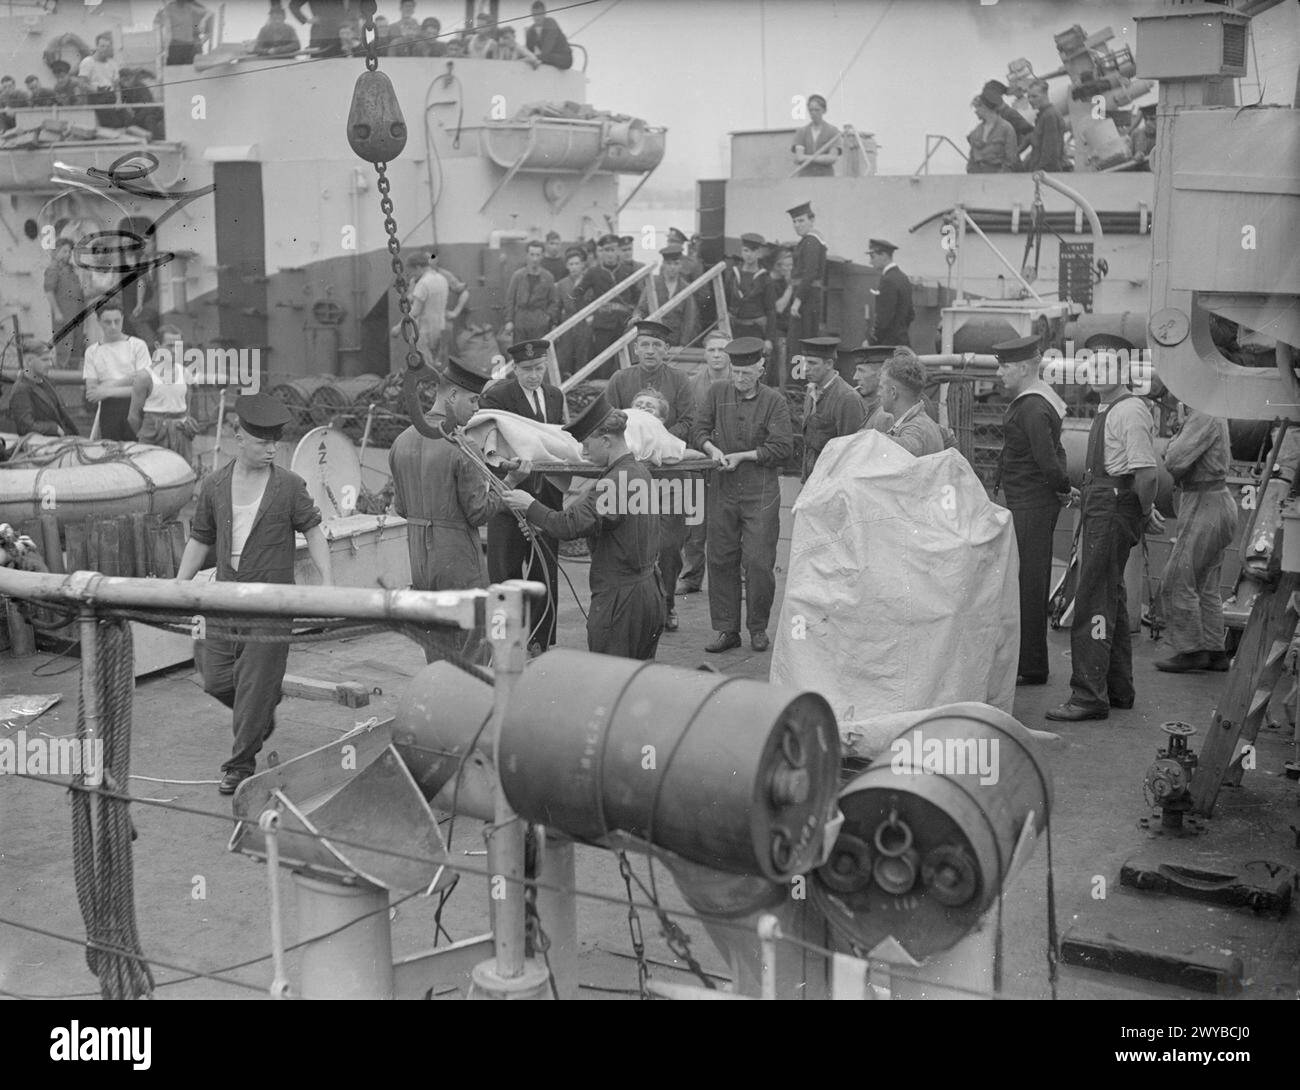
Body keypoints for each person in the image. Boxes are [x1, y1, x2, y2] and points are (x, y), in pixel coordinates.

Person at [175, 393, 333, 796]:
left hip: (272, 604)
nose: (271, 449)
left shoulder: (289, 487)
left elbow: (314, 532)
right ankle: (261, 711)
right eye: (263, 442)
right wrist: (177, 585)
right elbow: (200, 538)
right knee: (216, 679)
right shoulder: (214, 485)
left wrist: (328, 586)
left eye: (275, 441)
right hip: (225, 600)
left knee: (253, 685)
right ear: (238, 436)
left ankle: (239, 764)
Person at [1046, 335, 1161, 721]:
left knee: (1093, 600)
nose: (1096, 371)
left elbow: (1146, 475)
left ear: (1124, 370)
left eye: (1107, 364)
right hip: (1103, 506)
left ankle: (1088, 696)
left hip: (1111, 511)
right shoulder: (1107, 407)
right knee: (1110, 596)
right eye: (1092, 363)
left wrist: (1142, 514)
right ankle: (1117, 688)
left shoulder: (1129, 411)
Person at [504, 397, 664, 659]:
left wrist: (530, 505)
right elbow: (607, 523)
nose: (584, 452)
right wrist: (544, 526)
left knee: (611, 681)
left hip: (622, 599)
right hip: (647, 591)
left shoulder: (615, 481)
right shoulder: (637, 471)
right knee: (637, 681)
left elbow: (571, 525)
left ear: (606, 440)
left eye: (586, 444)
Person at [389, 359, 531, 600]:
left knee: (433, 633)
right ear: (453, 395)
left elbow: (401, 508)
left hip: (419, 564)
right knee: (471, 634)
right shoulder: (463, 445)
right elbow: (479, 513)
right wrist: (511, 481)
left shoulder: (400, 442)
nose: (477, 408)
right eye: (473, 400)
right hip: (459, 564)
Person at [693, 337, 793, 653]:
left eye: (746, 374)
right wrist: (712, 449)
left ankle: (758, 628)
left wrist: (744, 455)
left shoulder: (774, 401)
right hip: (722, 489)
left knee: (758, 561)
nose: (738, 380)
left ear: (760, 369)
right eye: (735, 373)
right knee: (720, 557)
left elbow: (783, 448)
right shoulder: (716, 392)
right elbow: (699, 430)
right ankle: (726, 630)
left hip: (759, 490)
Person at [604, 319, 695, 630]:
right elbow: (607, 420)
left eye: (657, 345)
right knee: (626, 542)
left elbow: (689, 422)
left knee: (669, 546)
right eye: (645, 344)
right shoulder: (620, 379)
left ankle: (667, 604)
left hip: (670, 474)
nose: (651, 350)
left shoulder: (681, 380)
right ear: (635, 348)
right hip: (629, 475)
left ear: (666, 349)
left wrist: (658, 440)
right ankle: (629, 606)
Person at [994, 335, 1072, 686]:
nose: (999, 372)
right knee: (1029, 581)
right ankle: (1029, 661)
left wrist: (1064, 490)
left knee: (1029, 583)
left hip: (1031, 506)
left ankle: (1032, 664)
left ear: (1025, 367)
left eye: (1005, 365)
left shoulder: (1032, 406)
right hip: (1030, 503)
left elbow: (1048, 461)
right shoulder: (1038, 402)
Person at [480, 340, 565, 654]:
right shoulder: (499, 396)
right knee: (505, 572)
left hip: (546, 497)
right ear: (514, 368)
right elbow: (489, 440)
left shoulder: (555, 396)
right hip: (510, 496)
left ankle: (541, 641)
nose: (534, 375)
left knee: (545, 572)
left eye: (539, 368)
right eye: (527, 369)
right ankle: (504, 643)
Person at [1154, 407, 1236, 673]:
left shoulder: (1203, 414)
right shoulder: (1215, 413)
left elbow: (1174, 460)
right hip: (1219, 498)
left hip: (1203, 500)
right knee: (1206, 583)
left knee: (1177, 576)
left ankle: (1190, 649)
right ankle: (1214, 650)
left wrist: (1176, 437)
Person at [678, 331, 733, 596]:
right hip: (699, 457)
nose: (717, 355)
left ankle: (737, 579)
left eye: (722, 349)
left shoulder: (741, 380)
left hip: (731, 460)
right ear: (704, 353)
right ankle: (691, 576)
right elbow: (689, 421)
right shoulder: (692, 384)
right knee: (695, 522)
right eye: (712, 350)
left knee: (731, 522)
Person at [798, 335, 865, 481]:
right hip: (812, 481)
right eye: (804, 363)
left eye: (812, 363)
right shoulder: (811, 391)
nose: (805, 369)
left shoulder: (847, 398)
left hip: (832, 483)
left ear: (829, 364)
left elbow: (850, 451)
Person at [83, 302, 151, 441]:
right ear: (99, 322)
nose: (113, 326)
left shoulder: (138, 345)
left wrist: (106, 390)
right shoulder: (92, 351)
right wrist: (127, 380)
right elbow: (92, 393)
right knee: (111, 454)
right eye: (107, 322)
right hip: (109, 411)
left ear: (123, 319)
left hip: (135, 407)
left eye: (117, 321)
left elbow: (144, 389)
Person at [128, 324, 195, 462]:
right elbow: (133, 417)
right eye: (170, 346)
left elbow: (187, 408)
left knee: (182, 475)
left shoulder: (185, 373)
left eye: (178, 346)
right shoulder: (144, 377)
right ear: (158, 345)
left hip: (180, 434)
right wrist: (147, 434)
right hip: (154, 434)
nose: (174, 351)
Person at [573, 234, 635, 379]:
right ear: (601, 252)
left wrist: (634, 311)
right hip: (602, 325)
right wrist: (588, 315)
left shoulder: (627, 270)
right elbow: (577, 294)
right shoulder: (594, 272)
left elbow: (638, 294)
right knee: (603, 364)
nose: (610, 254)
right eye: (606, 250)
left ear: (618, 251)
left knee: (624, 362)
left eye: (613, 250)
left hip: (624, 323)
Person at [881, 349, 946, 456]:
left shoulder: (915, 429)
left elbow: (909, 446)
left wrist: (871, 438)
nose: (879, 393)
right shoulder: (923, 422)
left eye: (881, 388)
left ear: (893, 392)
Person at [7, 343, 79, 437]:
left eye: (50, 359)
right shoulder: (21, 390)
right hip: (42, 446)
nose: (50, 364)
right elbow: (25, 427)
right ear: (29, 361)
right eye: (44, 360)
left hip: (64, 439)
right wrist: (54, 428)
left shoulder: (45, 380)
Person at [634, 245, 697, 348]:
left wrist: (683, 344)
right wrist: (637, 316)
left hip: (675, 341)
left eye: (676, 264)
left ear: (681, 265)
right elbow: (641, 308)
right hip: (654, 338)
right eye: (669, 264)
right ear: (663, 264)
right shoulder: (653, 284)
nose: (672, 267)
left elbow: (689, 318)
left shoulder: (686, 288)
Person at [394, 252, 448, 366]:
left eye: (412, 271)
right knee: (438, 363)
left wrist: (398, 328)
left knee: (426, 365)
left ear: (418, 267)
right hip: (441, 327)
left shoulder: (423, 283)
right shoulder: (442, 279)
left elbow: (415, 312)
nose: (412, 275)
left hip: (425, 330)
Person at [726, 233, 775, 354]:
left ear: (759, 253)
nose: (749, 255)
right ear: (741, 251)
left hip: (756, 330)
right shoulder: (733, 274)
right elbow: (725, 302)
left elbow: (771, 310)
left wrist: (769, 339)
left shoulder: (765, 278)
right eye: (746, 250)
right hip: (735, 330)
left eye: (753, 251)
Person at [503, 240, 560, 344]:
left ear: (542, 256)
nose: (535, 259)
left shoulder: (548, 277)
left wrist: (547, 317)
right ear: (526, 255)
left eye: (538, 255)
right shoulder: (518, 276)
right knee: (520, 353)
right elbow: (510, 300)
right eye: (532, 254)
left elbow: (554, 302)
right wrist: (509, 320)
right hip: (521, 320)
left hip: (539, 321)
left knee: (538, 354)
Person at [787, 202, 827, 343]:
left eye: (801, 220)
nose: (797, 225)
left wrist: (797, 301)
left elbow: (810, 273)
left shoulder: (812, 241)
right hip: (806, 297)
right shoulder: (806, 241)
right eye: (794, 221)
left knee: (802, 342)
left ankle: (800, 366)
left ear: (812, 220)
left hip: (807, 299)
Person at [45, 238, 86, 369]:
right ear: (56, 251)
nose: (68, 254)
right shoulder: (53, 269)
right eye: (64, 251)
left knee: (76, 344)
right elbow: (49, 292)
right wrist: (57, 312)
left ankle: (72, 379)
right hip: (63, 315)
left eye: (69, 251)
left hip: (77, 314)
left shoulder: (72, 270)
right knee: (64, 345)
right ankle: (62, 379)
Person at [867, 239, 914, 348]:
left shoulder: (887, 280)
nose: (870, 262)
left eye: (872, 257)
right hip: (902, 344)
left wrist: (871, 341)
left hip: (887, 347)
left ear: (883, 255)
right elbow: (910, 314)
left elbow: (884, 318)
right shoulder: (903, 277)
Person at [555, 247, 591, 379]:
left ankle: (582, 385)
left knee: (583, 356)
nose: (574, 267)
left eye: (577, 263)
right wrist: (556, 324)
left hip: (584, 322)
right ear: (567, 266)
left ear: (582, 265)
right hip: (567, 323)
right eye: (571, 264)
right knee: (565, 357)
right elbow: (557, 306)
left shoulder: (589, 281)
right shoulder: (562, 284)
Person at [1019, 79, 1066, 172]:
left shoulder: (1050, 116)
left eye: (1034, 96)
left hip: (1045, 173)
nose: (1030, 100)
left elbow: (1050, 152)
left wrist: (1039, 171)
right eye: (1028, 97)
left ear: (1045, 95)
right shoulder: (1043, 115)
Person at [79, 32, 124, 129]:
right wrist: (97, 90)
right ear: (97, 46)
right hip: (96, 97)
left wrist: (119, 101)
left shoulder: (113, 64)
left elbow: (116, 85)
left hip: (111, 96)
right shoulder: (87, 62)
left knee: (127, 120)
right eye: (102, 46)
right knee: (113, 124)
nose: (105, 49)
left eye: (107, 46)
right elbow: (82, 84)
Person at [791, 93, 842, 177]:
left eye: (817, 110)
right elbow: (799, 157)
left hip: (826, 179)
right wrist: (822, 158)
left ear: (824, 110)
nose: (813, 113)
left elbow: (832, 158)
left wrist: (807, 158)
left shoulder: (833, 131)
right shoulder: (801, 132)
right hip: (805, 178)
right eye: (811, 110)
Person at [967, 95, 1018, 173]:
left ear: (985, 107)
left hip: (999, 177)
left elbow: (1011, 159)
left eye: (977, 107)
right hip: (977, 176)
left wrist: (1000, 177)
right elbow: (972, 160)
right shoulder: (976, 132)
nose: (975, 111)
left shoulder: (1006, 128)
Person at [848, 345, 894, 432]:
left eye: (861, 370)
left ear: (881, 374)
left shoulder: (885, 415)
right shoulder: (867, 406)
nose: (855, 377)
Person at [767, 247, 795, 389]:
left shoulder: (783, 280)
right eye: (788, 265)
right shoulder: (769, 282)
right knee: (779, 368)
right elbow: (779, 307)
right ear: (777, 265)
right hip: (776, 331)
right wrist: (790, 287)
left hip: (786, 329)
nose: (791, 269)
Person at [155, 0, 213, 66]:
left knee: (190, 71)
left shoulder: (190, 7)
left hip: (190, 46)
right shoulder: (168, 8)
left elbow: (209, 12)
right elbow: (159, 26)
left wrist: (203, 21)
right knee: (173, 70)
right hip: (176, 45)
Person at [524, 1, 573, 71]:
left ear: (544, 13)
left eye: (540, 14)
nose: (537, 17)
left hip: (564, 58)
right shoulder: (531, 31)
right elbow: (528, 51)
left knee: (544, 57)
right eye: (534, 14)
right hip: (547, 58)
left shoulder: (551, 23)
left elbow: (546, 50)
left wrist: (533, 58)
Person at [1129, 103, 1157, 168]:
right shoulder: (1136, 134)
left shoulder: (1165, 137)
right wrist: (1135, 157)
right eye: (1145, 119)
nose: (1148, 123)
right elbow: (1128, 160)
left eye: (1152, 119)